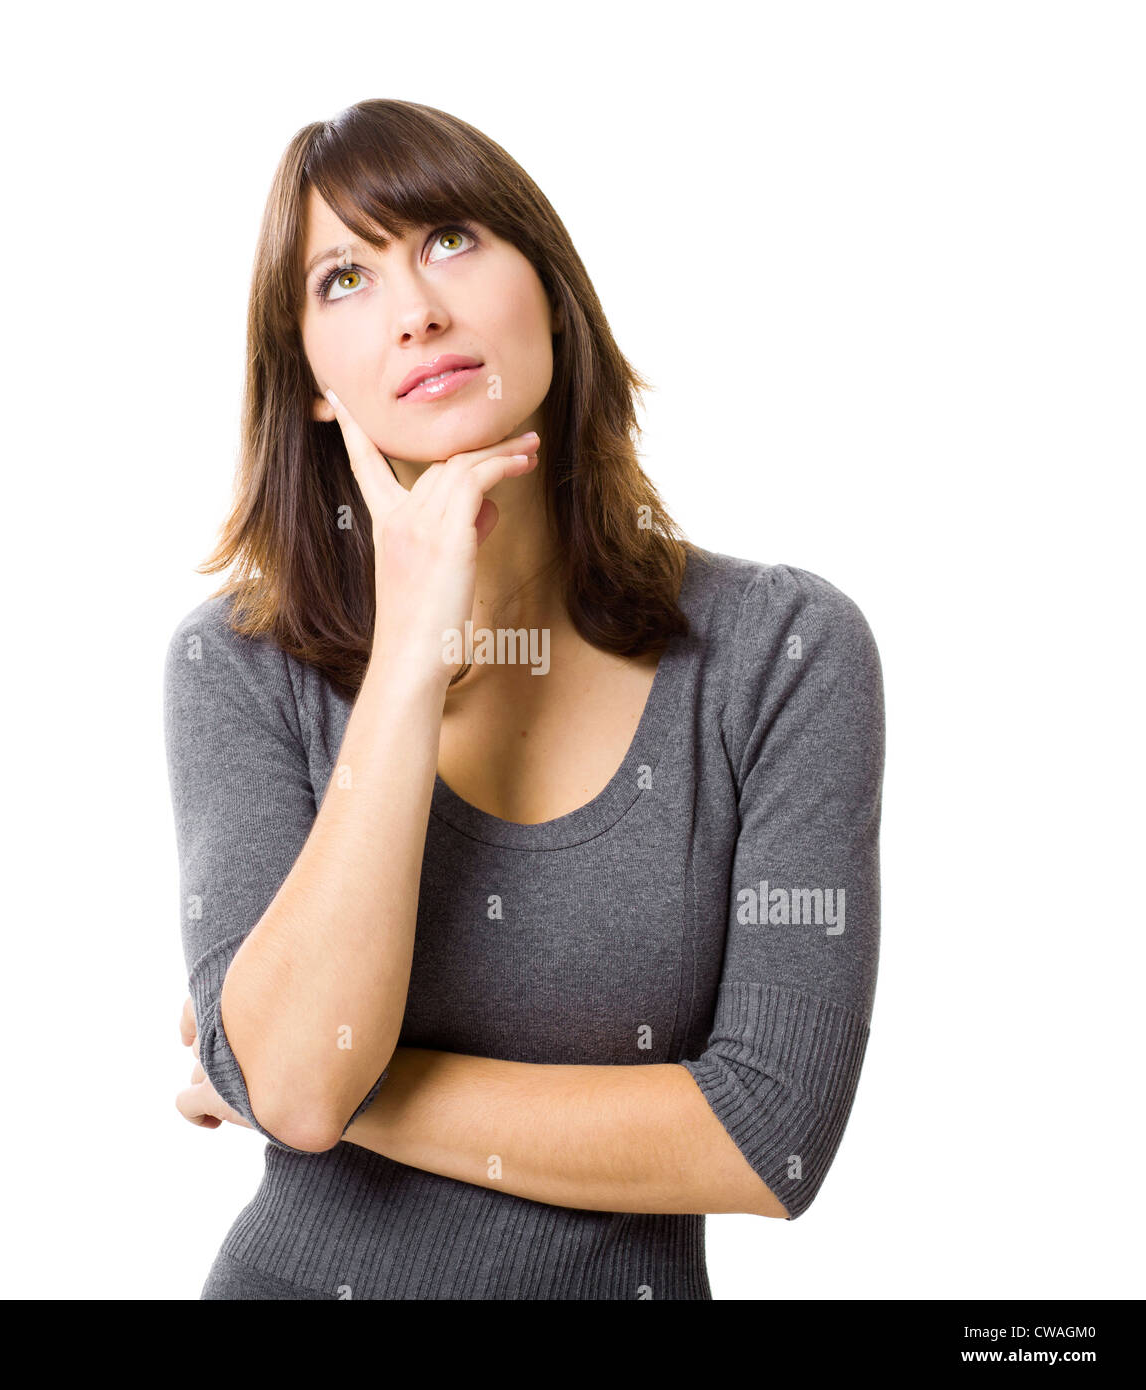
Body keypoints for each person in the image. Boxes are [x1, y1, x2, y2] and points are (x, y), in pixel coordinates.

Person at [163, 98, 885, 1300]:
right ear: (316, 388)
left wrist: (332, 1090)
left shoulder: (785, 653)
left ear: (548, 286)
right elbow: (291, 1082)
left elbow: (771, 1135)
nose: (415, 311)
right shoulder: (240, 665)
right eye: (343, 279)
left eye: (448, 237)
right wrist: (407, 655)